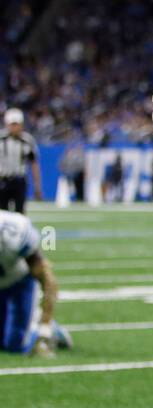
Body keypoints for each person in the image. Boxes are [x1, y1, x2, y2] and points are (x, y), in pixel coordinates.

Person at [0, 208, 71, 357]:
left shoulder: (14, 231)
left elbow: (48, 281)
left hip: (19, 282)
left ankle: (52, 330)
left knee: (16, 346)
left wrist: (44, 328)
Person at [0, 109, 41, 213]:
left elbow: (34, 164)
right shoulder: (1, 138)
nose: (14, 127)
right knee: (2, 215)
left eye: (16, 124)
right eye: (12, 124)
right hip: (2, 180)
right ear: (6, 124)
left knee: (20, 214)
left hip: (19, 180)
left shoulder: (27, 140)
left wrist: (37, 186)